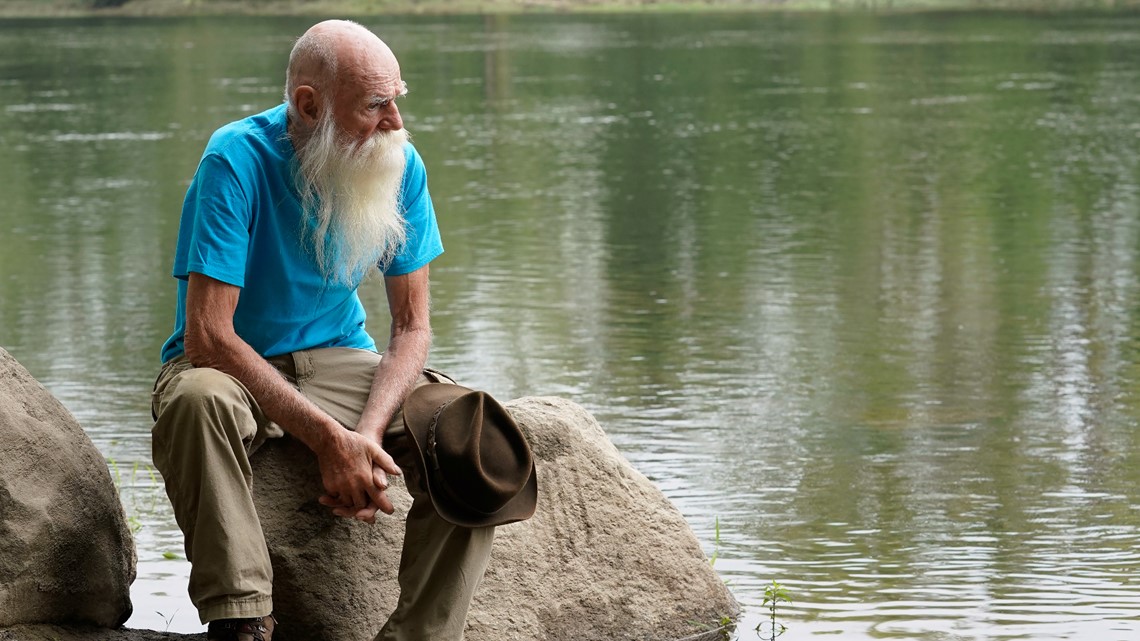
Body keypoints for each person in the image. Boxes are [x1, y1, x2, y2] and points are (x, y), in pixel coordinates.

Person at [150, 19, 534, 641]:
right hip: (233, 367)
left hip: (340, 361)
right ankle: (242, 620)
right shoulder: (234, 159)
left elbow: (411, 328)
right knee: (196, 403)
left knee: (472, 434)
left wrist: (365, 436)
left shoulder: (399, 163)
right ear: (309, 104)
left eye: (396, 101)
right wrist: (328, 442)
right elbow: (208, 338)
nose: (395, 124)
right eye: (373, 107)